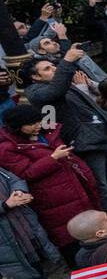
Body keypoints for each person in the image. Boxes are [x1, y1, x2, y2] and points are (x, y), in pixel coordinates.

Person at [19, 46, 107, 222]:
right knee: (102, 188)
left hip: (103, 137)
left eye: (53, 66)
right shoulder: (37, 92)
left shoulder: (65, 84)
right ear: (35, 77)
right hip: (86, 145)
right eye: (47, 69)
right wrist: (67, 61)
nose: (54, 68)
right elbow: (53, 98)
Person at [0, 105, 100, 266]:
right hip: (51, 200)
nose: (38, 125)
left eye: (38, 121)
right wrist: (53, 158)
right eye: (32, 123)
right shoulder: (7, 149)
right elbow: (25, 174)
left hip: (73, 189)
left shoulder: (44, 134)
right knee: (69, 239)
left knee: (91, 233)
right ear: (18, 126)